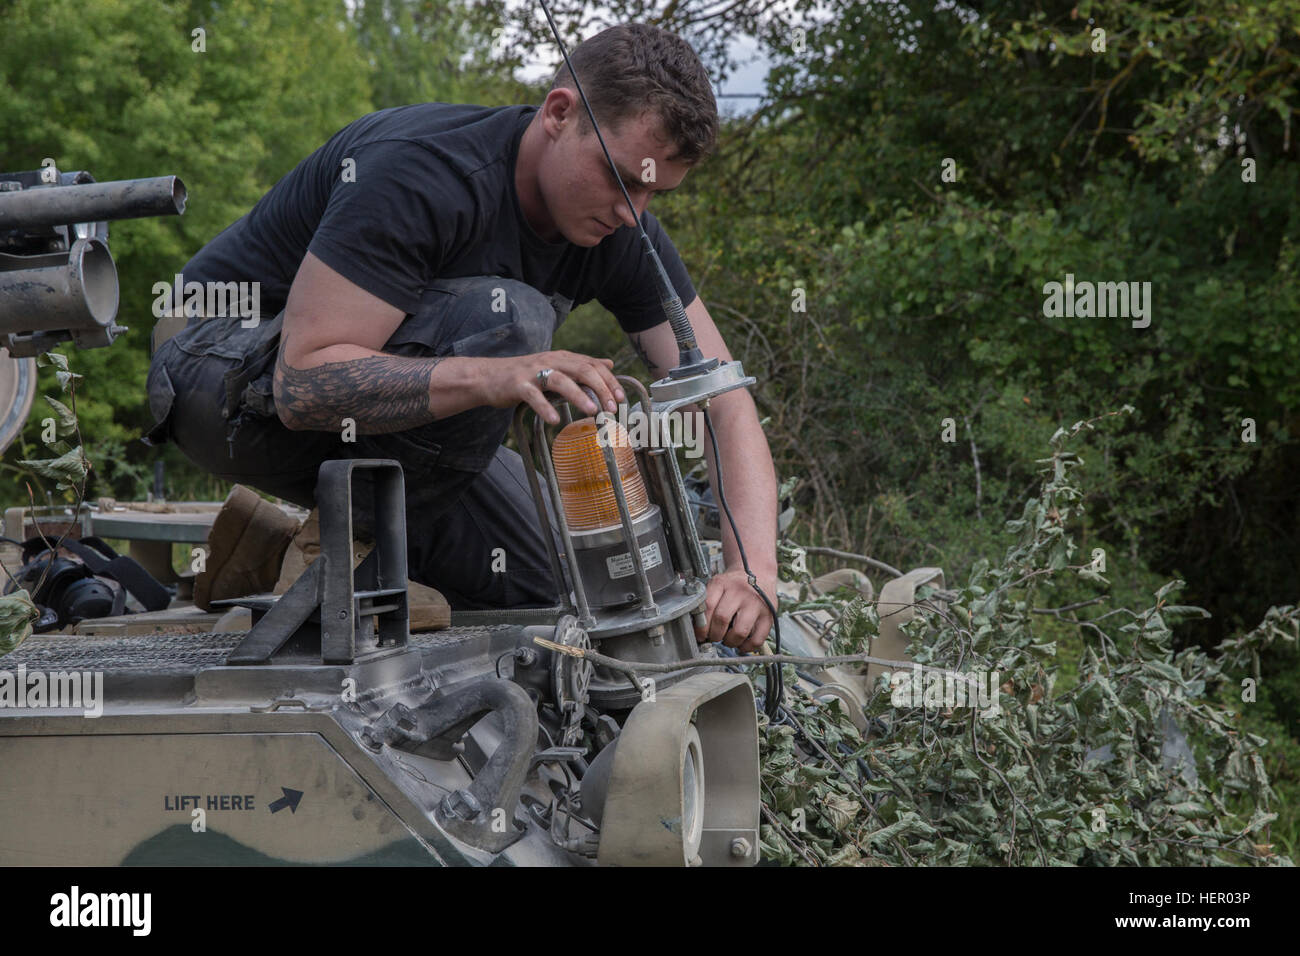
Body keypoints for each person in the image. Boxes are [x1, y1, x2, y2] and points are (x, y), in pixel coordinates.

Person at [144, 23, 778, 652]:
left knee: (566, 584)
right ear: (560, 113)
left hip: (380, 429)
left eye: (654, 192)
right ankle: (335, 564)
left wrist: (752, 574)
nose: (631, 212)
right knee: (510, 325)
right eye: (623, 179)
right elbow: (302, 384)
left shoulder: (621, 230)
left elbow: (722, 397)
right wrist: (495, 375)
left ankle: (271, 550)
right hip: (212, 367)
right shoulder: (421, 167)